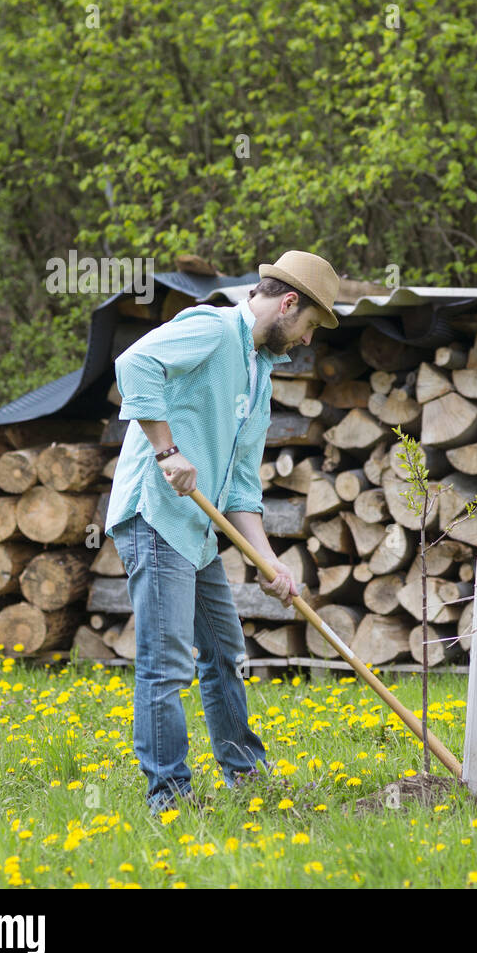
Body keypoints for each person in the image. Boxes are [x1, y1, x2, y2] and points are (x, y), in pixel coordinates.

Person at [104, 250, 340, 815]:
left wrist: (269, 561)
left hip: (200, 530)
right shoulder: (211, 329)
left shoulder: (260, 372)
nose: (307, 341)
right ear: (288, 303)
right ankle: (169, 798)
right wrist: (167, 449)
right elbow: (133, 365)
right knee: (167, 665)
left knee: (226, 653)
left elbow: (239, 486)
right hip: (157, 514)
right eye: (310, 326)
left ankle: (246, 776)